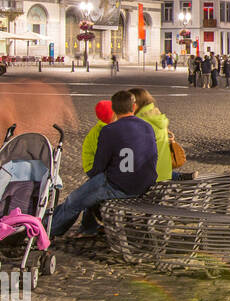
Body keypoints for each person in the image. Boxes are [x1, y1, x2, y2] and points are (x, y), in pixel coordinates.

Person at [50, 90, 158, 237]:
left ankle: (50, 231)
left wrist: (96, 178)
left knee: (74, 200)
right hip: (145, 183)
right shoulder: (147, 127)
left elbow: (99, 166)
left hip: (120, 185)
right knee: (90, 192)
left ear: (114, 109)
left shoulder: (109, 130)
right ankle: (86, 227)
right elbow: (153, 157)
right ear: (133, 107)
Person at [127, 87, 173, 183]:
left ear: (136, 103)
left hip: (148, 174)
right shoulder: (156, 115)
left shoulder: (140, 121)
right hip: (164, 171)